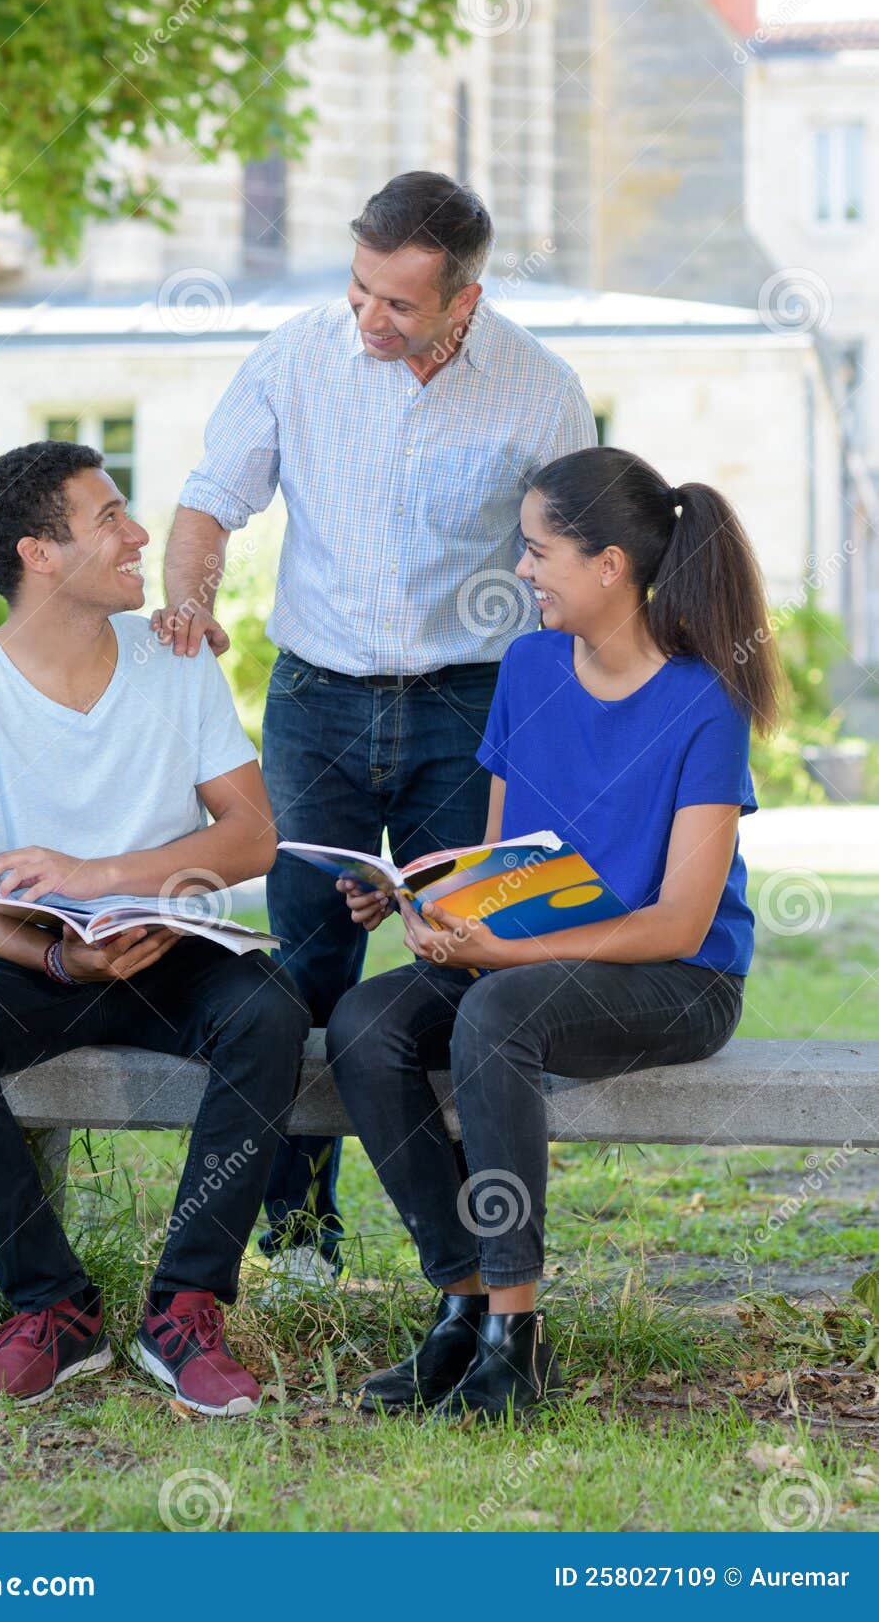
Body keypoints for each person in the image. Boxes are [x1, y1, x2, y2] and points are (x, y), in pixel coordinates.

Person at [156, 170, 596, 1287]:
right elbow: (211, 499)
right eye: (360, 289)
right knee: (305, 966)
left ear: (465, 300)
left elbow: (575, 571)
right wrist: (193, 596)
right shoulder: (300, 354)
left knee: (463, 961)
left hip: (470, 704)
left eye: (399, 304)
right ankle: (300, 1231)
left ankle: (469, 1240)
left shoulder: (540, 391)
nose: (370, 319)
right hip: (320, 700)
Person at [326, 445, 783, 1422]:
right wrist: (425, 903)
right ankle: (460, 1304)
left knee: (495, 1012)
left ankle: (514, 1344)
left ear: (609, 564)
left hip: (676, 976)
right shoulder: (530, 665)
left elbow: (679, 918)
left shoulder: (704, 702)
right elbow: (505, 859)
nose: (523, 570)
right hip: (529, 953)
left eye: (538, 551)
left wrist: (504, 956)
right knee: (366, 1021)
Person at [0, 440, 309, 1415]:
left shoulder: (174, 659)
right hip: (41, 957)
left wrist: (108, 875)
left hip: (178, 953)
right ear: (40, 554)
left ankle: (185, 1306)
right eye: (109, 517)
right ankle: (52, 1305)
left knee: (270, 1015)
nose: (138, 535)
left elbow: (251, 837)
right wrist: (57, 952)